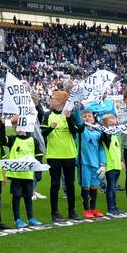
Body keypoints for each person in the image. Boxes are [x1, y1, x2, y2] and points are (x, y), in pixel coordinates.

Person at [39, 89, 82, 222]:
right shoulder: (47, 115)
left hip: (68, 154)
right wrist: (51, 127)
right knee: (55, 184)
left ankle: (72, 210)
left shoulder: (70, 114)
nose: (51, 100)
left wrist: (69, 119)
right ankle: (55, 212)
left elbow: (75, 131)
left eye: (54, 99)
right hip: (53, 155)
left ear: (62, 102)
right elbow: (43, 133)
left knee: (70, 183)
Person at [0, 114, 42, 228]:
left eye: (18, 124)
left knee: (28, 196)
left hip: (28, 174)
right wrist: (2, 125)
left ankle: (30, 217)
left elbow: (38, 156)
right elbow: (2, 140)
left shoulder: (33, 140)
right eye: (14, 125)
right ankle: (17, 219)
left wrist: (38, 172)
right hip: (16, 174)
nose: (17, 127)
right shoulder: (13, 139)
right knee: (16, 196)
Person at [76, 107, 104, 221]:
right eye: (84, 116)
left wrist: (103, 164)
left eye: (89, 116)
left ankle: (93, 208)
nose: (87, 118)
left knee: (94, 187)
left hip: (95, 164)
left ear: (93, 118)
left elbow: (101, 148)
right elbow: (79, 122)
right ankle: (86, 209)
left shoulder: (98, 132)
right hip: (84, 163)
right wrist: (77, 107)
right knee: (86, 186)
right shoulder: (81, 130)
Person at [99, 114, 124, 218]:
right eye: (110, 123)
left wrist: (121, 161)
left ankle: (114, 206)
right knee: (111, 187)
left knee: (113, 187)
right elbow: (103, 136)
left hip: (117, 166)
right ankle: (111, 208)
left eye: (114, 122)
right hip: (110, 166)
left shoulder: (115, 136)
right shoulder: (107, 136)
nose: (113, 125)